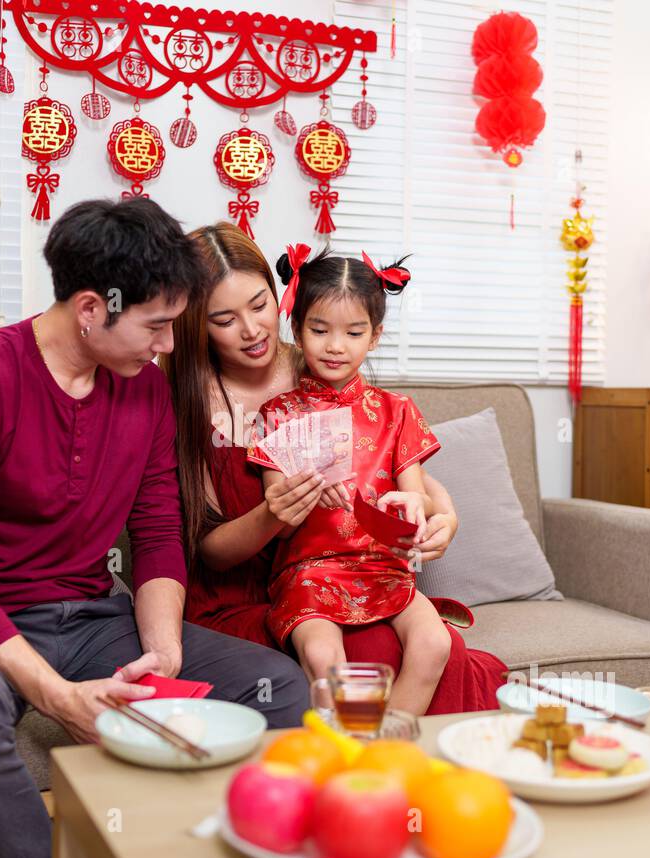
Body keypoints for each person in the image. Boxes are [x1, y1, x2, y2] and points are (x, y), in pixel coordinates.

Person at [0, 199, 309, 858]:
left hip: (90, 617)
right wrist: (56, 696)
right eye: (157, 326)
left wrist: (163, 649)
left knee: (279, 686)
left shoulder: (144, 390)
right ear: (92, 309)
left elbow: (159, 532)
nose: (169, 346)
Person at [162, 223, 507, 715]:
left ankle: (391, 764)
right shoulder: (197, 405)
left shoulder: (325, 363)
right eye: (224, 318)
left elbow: (403, 474)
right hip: (259, 591)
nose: (252, 329)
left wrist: (444, 517)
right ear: (197, 323)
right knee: (363, 655)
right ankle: (347, 764)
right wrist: (275, 514)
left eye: (260, 306)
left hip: (365, 569)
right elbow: (210, 553)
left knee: (427, 647)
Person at [244, 246, 456, 714]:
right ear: (296, 330)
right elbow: (276, 518)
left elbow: (416, 494)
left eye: (354, 332)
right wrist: (302, 493)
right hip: (310, 570)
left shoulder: (398, 412)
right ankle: (343, 751)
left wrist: (412, 506)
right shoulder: (278, 415)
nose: (335, 345)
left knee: (433, 644)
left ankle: (386, 751)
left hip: (384, 566)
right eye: (319, 330)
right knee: (321, 654)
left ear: (375, 336)